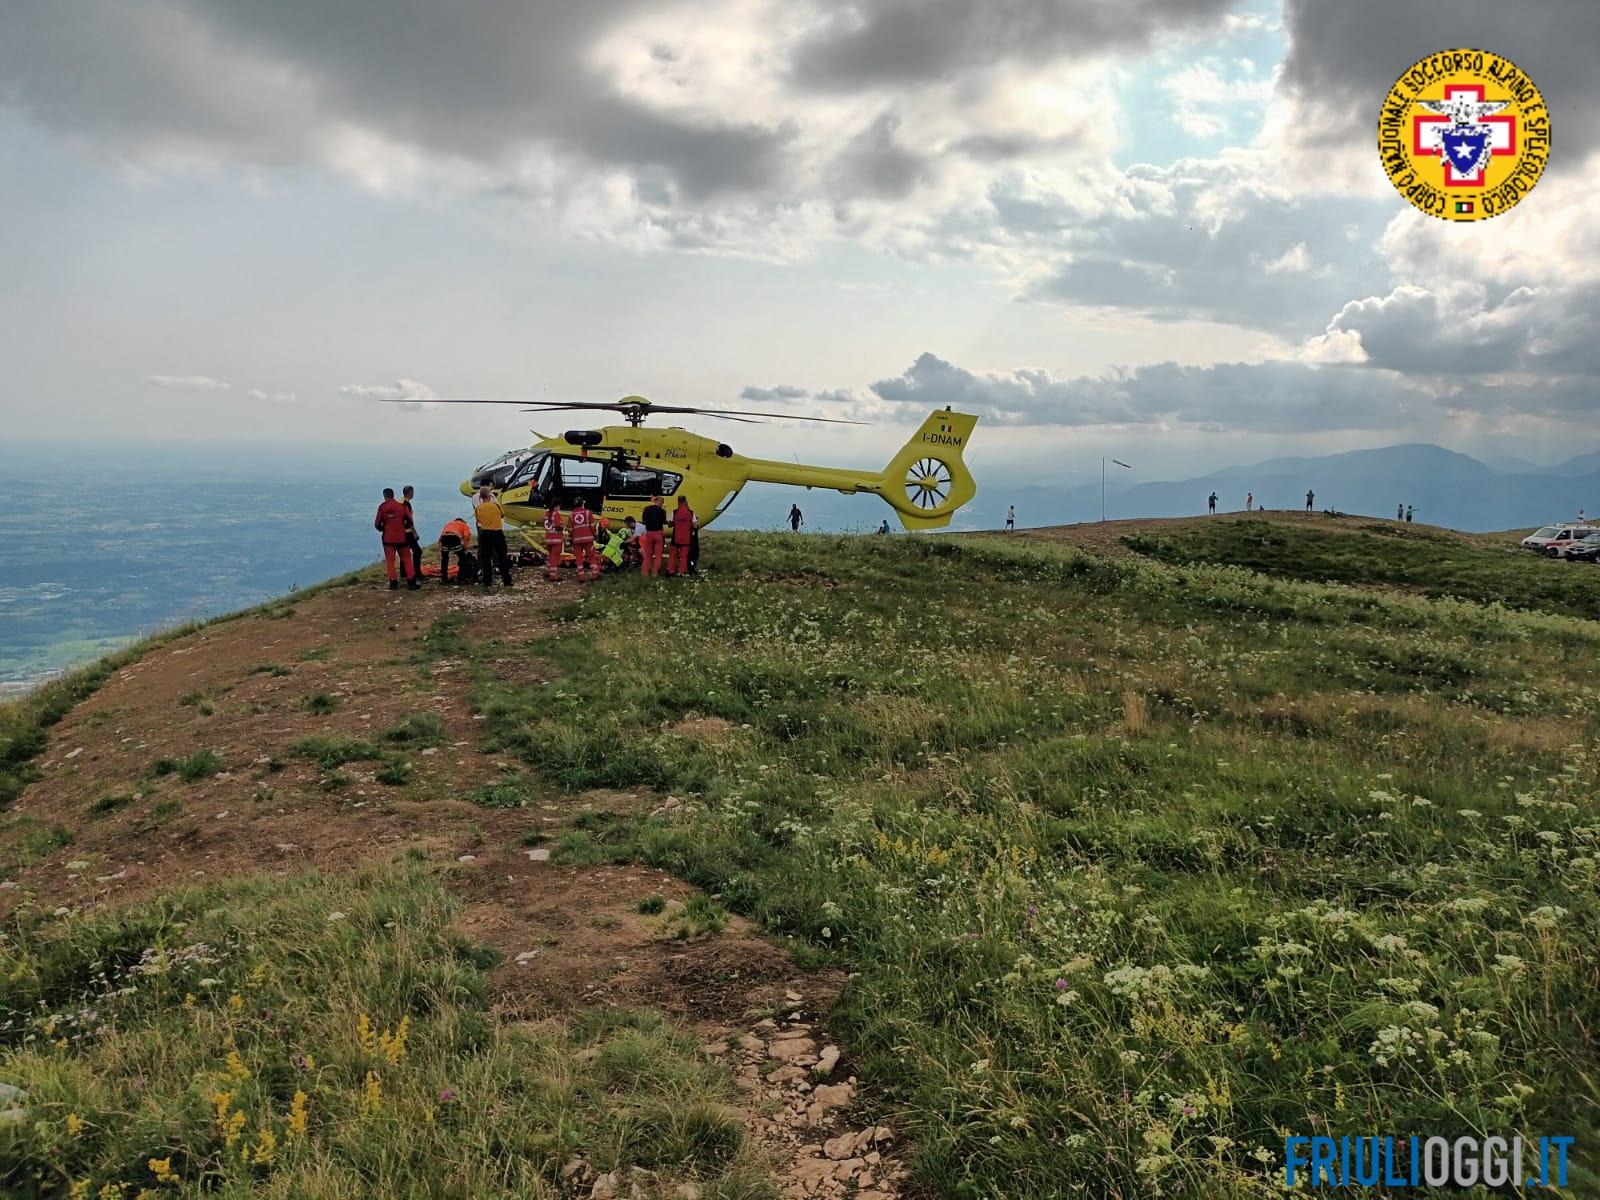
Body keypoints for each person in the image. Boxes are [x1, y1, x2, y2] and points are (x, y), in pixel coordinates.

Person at [374, 488, 418, 590]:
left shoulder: (382, 507)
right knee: (407, 559)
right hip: (402, 538)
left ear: (385, 496)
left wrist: (384, 529)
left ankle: (393, 583)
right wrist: (403, 527)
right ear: (393, 495)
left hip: (388, 539)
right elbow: (409, 521)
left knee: (390, 561)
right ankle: (411, 583)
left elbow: (377, 524)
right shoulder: (401, 506)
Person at [474, 486, 513, 587]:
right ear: (490, 495)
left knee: (486, 558)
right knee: (502, 557)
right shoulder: (496, 505)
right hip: (497, 533)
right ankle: (507, 581)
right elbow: (502, 515)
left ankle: (487, 581)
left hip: (484, 534)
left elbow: (478, 520)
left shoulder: (478, 508)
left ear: (480, 497)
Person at [570, 497, 598, 582]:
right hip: (588, 540)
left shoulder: (571, 515)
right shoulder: (588, 513)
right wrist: (594, 535)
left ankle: (581, 575)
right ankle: (595, 574)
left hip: (576, 540)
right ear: (582, 504)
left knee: (579, 558)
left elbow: (570, 529)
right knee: (591, 556)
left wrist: (572, 538)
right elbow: (592, 526)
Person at [437, 516, 473, 584]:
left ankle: (444, 579)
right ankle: (461, 579)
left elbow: (441, 537)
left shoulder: (449, 524)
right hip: (454, 538)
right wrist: (465, 547)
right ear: (463, 521)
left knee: (445, 559)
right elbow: (467, 536)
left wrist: (440, 548)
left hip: (445, 538)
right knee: (463, 559)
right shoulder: (464, 525)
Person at [401, 486, 424, 582]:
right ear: (410, 492)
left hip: (400, 532)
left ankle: (403, 574)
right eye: (412, 492)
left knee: (404, 552)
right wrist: (414, 532)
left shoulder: (400, 502)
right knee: (417, 551)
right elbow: (409, 519)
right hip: (408, 532)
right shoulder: (406, 504)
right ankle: (417, 574)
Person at [640, 496, 667, 576]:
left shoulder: (646, 509)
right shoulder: (662, 511)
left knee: (648, 554)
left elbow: (643, 521)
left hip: (649, 533)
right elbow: (663, 522)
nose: (662, 504)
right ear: (660, 501)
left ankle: (644, 572)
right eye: (662, 503)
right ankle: (655, 573)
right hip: (658, 533)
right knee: (658, 555)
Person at [669, 495, 695, 576]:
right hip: (686, 538)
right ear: (685, 501)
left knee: (673, 555)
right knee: (684, 556)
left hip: (676, 537)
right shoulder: (691, 512)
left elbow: (670, 524)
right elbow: (694, 524)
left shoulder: (674, 512)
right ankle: (681, 572)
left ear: (678, 501)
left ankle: (670, 571)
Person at [542, 504, 565, 583]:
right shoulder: (556, 514)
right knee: (555, 558)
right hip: (556, 539)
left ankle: (547, 571)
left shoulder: (547, 513)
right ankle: (553, 576)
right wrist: (562, 527)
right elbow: (559, 525)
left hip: (548, 539)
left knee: (551, 556)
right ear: (557, 506)